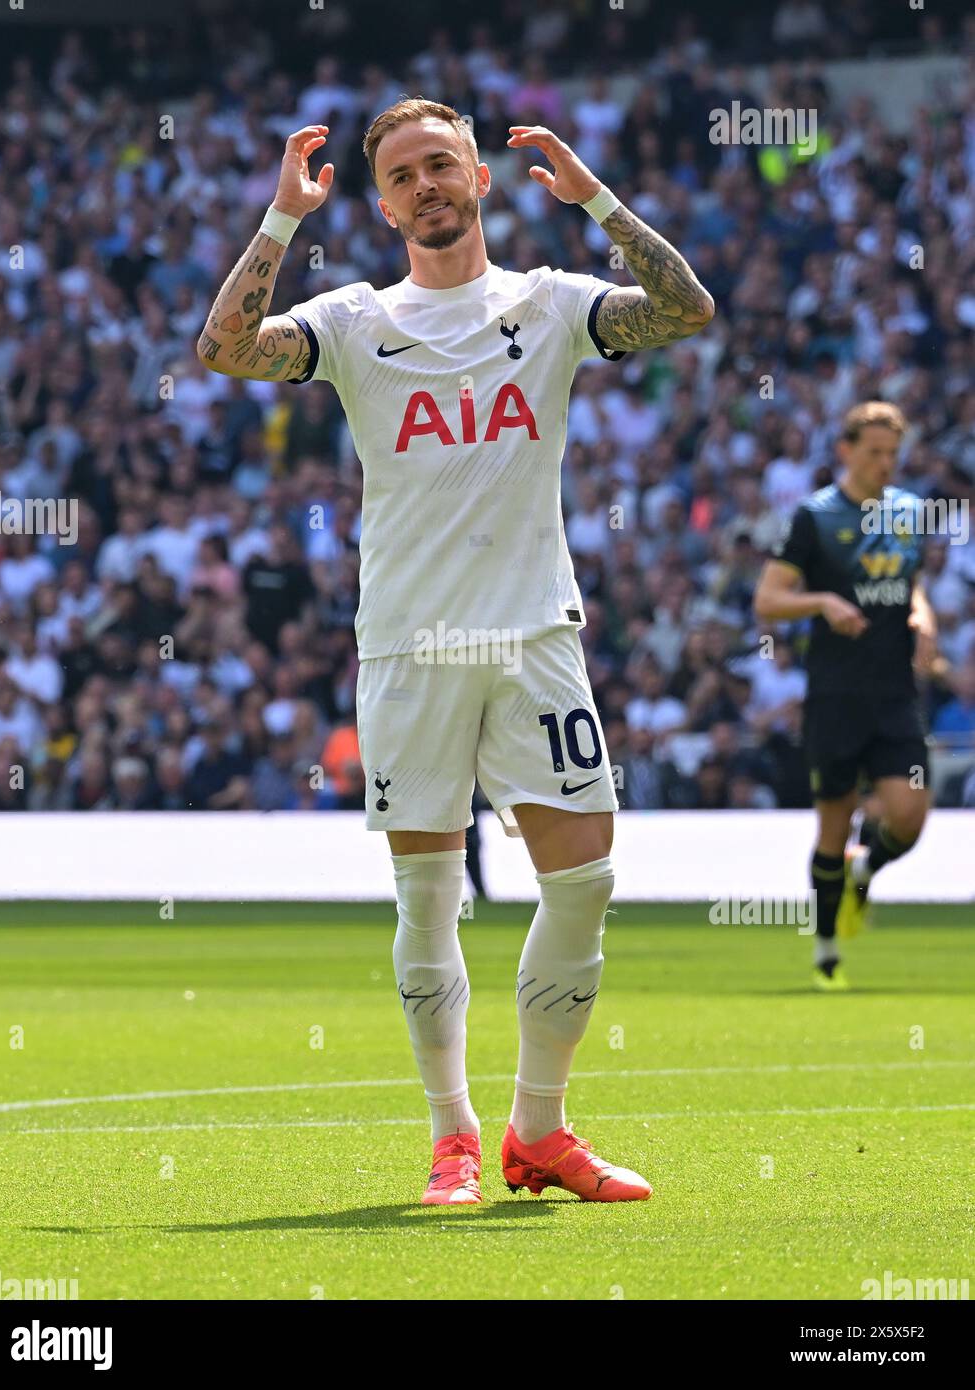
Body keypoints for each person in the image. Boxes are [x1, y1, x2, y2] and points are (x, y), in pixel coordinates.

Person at [198, 100, 713, 1204]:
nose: (426, 184)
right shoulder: (349, 319)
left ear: (479, 178)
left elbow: (686, 309)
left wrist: (597, 203)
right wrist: (284, 220)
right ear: (381, 204)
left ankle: (541, 1130)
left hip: (535, 636)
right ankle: (454, 1139)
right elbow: (226, 346)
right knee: (428, 901)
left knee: (584, 882)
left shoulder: (554, 302)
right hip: (409, 646)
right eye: (402, 174)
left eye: (443, 164)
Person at [753, 402, 938, 991]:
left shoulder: (910, 512)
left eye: (892, 454)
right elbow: (768, 600)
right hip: (834, 695)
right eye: (874, 452)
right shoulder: (815, 516)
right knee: (833, 824)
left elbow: (914, 587)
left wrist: (924, 619)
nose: (885, 464)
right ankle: (827, 951)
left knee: (909, 812)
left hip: (894, 695)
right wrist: (823, 604)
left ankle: (868, 869)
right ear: (846, 450)